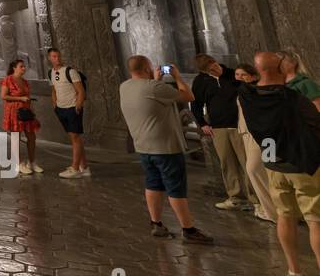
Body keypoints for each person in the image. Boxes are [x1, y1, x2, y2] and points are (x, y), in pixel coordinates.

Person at [239, 51, 320, 276]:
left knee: (285, 216)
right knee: (315, 219)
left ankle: (294, 272)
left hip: (273, 162)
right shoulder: (292, 98)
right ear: (281, 70)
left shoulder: (248, 96)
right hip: (302, 164)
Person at [118, 56, 214, 244]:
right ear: (147, 68)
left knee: (153, 184)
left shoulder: (125, 87)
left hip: (143, 146)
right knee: (175, 187)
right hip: (165, 147)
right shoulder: (155, 88)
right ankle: (188, 229)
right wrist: (178, 77)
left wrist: (156, 80)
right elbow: (188, 96)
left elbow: (150, 97)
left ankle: (156, 223)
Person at [193, 53, 254, 212]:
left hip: (238, 125)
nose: (212, 72)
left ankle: (255, 199)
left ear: (215, 62)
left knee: (247, 162)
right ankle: (235, 197)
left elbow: (247, 91)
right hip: (218, 128)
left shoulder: (233, 74)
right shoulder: (201, 81)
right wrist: (202, 123)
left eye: (212, 67)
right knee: (227, 163)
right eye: (208, 71)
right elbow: (196, 103)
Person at [235, 63, 276, 222]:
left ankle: (273, 212)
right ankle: (272, 209)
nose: (240, 78)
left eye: (243, 74)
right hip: (247, 134)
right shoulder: (244, 91)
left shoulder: (257, 90)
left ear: (253, 75)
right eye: (237, 74)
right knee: (263, 170)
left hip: (260, 135)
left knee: (257, 169)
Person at [47, 48, 90, 178]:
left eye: (59, 56)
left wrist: (78, 105)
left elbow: (81, 91)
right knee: (74, 137)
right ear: (49, 58)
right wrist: (54, 103)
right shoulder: (51, 73)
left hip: (72, 108)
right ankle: (85, 167)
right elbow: (54, 89)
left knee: (75, 138)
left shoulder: (70, 71)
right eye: (54, 57)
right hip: (61, 109)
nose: (57, 59)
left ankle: (75, 168)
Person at [1, 59, 40, 175]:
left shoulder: (25, 81)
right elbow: (3, 96)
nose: (24, 68)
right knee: (15, 138)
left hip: (26, 111)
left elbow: (28, 97)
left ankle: (32, 162)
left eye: (24, 66)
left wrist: (33, 113)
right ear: (14, 67)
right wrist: (20, 98)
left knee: (32, 137)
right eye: (21, 66)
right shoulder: (8, 80)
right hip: (14, 111)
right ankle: (17, 164)